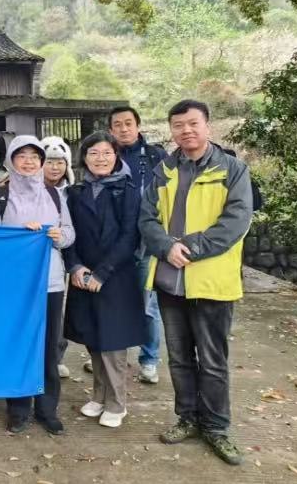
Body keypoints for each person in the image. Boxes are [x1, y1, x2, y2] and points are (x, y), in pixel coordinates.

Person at [140, 99, 252, 466]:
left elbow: (235, 221)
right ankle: (187, 418)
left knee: (213, 360)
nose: (186, 130)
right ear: (170, 130)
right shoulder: (164, 170)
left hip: (211, 280)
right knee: (180, 359)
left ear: (208, 126)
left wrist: (187, 247)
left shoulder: (232, 169)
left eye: (192, 123)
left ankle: (217, 428)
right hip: (171, 280)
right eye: (178, 125)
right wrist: (164, 247)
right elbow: (147, 219)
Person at [0, 136, 76, 435]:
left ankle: (47, 409)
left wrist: (59, 236)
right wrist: (19, 235)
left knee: (49, 347)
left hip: (50, 281)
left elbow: (70, 232)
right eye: (21, 155)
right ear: (11, 160)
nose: (28, 161)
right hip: (14, 283)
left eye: (34, 156)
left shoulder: (54, 194)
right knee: (20, 344)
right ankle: (18, 408)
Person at [62, 132, 147, 429]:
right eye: (94, 153)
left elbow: (129, 237)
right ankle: (98, 396)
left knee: (113, 343)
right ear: (84, 158)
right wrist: (75, 267)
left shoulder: (128, 191)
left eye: (106, 153)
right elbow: (67, 234)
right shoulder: (75, 192)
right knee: (93, 339)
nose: (101, 159)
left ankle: (117, 402)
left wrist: (103, 272)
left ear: (116, 157)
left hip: (116, 278)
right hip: (83, 277)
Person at [107, 106, 169, 385]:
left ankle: (149, 359)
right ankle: (112, 358)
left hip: (145, 242)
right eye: (117, 125)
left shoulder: (157, 157)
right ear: (111, 130)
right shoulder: (105, 154)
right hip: (113, 242)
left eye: (128, 123)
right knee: (113, 303)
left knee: (146, 305)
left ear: (138, 125)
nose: (123, 129)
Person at [41, 136, 74, 380]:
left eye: (59, 162)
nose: (54, 167)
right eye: (49, 161)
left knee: (57, 312)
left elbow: (71, 230)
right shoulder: (28, 190)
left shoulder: (72, 191)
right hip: (34, 260)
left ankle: (56, 355)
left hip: (61, 258)